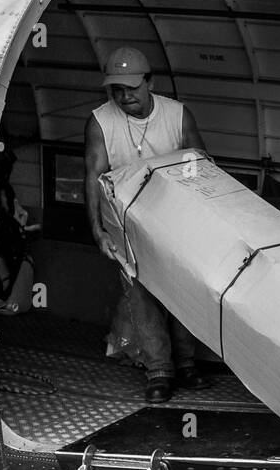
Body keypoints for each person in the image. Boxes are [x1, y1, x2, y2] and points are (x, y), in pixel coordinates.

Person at [84, 45, 211, 403]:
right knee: (142, 296)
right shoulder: (100, 121)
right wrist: (98, 231)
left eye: (132, 89)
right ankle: (159, 371)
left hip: (176, 222)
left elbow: (203, 167)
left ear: (149, 82)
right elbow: (93, 175)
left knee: (184, 293)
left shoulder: (177, 115)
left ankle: (186, 364)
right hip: (127, 223)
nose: (124, 97)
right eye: (117, 90)